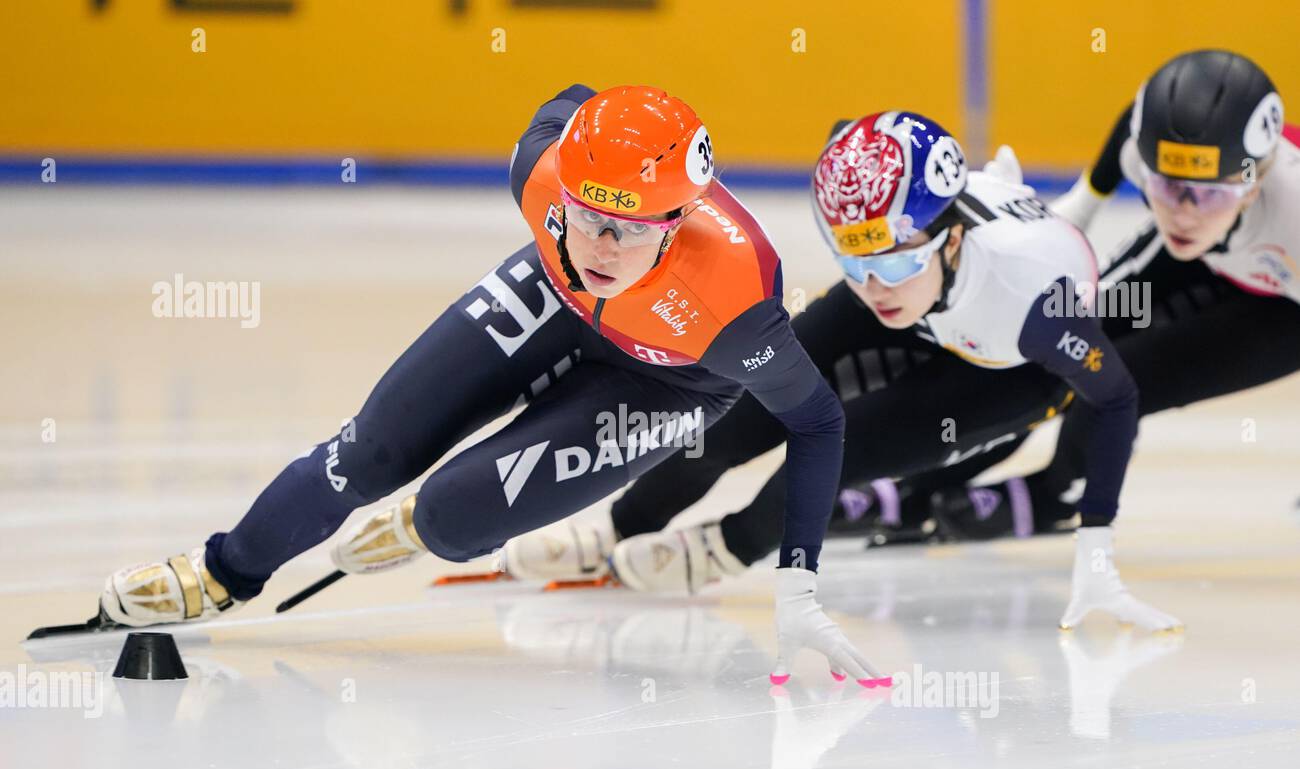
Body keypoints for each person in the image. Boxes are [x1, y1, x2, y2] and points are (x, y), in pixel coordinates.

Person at [96, 84, 889, 686]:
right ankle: (224, 570)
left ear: (679, 221)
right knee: (371, 453)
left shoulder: (735, 310)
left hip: (673, 379)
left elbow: (819, 422)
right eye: (587, 216)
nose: (602, 248)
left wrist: (797, 587)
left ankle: (424, 525)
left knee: (451, 514)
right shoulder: (540, 171)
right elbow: (572, 104)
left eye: (630, 230)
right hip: (552, 295)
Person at [503, 110, 1180, 631]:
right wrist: (885, 267)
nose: (874, 284)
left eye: (892, 262)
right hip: (941, 296)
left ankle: (727, 548)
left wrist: (1097, 550)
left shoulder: (1036, 307)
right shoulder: (885, 258)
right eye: (851, 259)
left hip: (1011, 362)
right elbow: (875, 237)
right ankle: (624, 525)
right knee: (745, 405)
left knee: (847, 446)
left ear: (951, 238)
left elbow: (1118, 399)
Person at [908, 49, 1300, 542]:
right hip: (1201, 257)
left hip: (1286, 313)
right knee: (1054, 337)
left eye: (1209, 194)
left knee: (1129, 374)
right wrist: (1084, 204)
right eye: (1166, 187)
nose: (1184, 213)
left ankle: (1053, 494)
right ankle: (922, 475)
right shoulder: (1156, 154)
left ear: (1254, 184)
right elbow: (1130, 126)